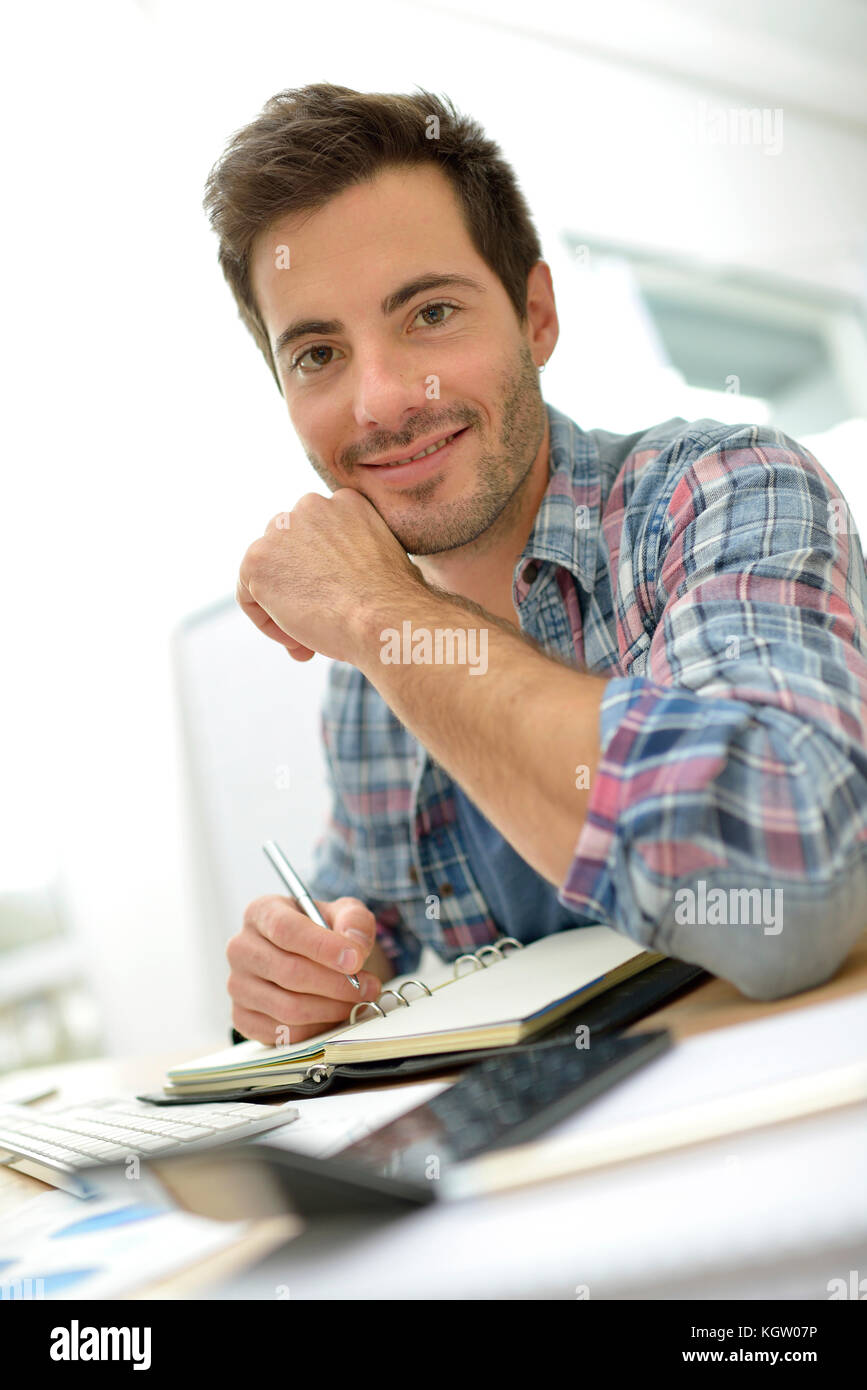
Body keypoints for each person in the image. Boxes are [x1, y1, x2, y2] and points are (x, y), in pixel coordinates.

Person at [203, 84, 867, 1046]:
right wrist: (313, 966)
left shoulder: (726, 489)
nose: (382, 402)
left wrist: (385, 621)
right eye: (316, 354)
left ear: (536, 315)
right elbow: (369, 915)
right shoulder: (367, 676)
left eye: (429, 313)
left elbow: (787, 889)